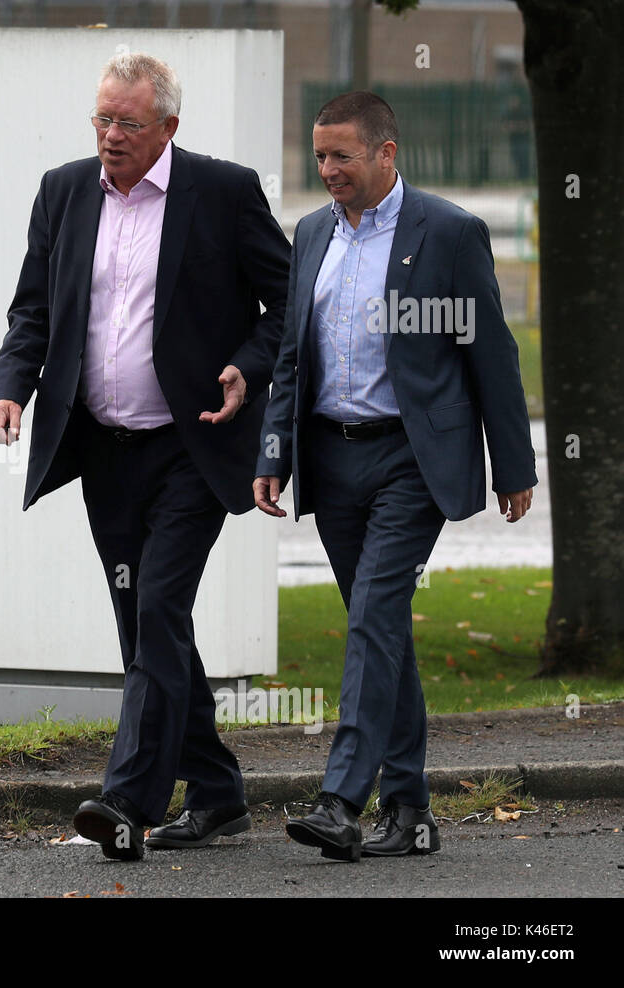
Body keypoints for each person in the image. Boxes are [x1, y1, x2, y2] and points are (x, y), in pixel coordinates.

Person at [0, 52, 290, 861]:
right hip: (103, 449)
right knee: (146, 627)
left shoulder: (221, 192)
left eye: (128, 123)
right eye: (102, 119)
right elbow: (34, 308)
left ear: (168, 128)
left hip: (192, 445)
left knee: (157, 607)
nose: (111, 137)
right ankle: (218, 792)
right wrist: (11, 387)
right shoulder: (63, 190)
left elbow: (288, 302)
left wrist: (247, 368)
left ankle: (128, 803)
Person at [253, 91, 536, 861]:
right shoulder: (311, 234)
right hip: (330, 453)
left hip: (411, 456)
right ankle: (409, 811)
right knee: (382, 633)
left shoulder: (447, 232)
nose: (328, 170)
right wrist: (274, 449)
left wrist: (513, 463)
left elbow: (492, 354)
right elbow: (292, 356)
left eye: (343, 155)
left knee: (375, 612)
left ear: (387, 152)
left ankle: (342, 798)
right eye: (320, 156)